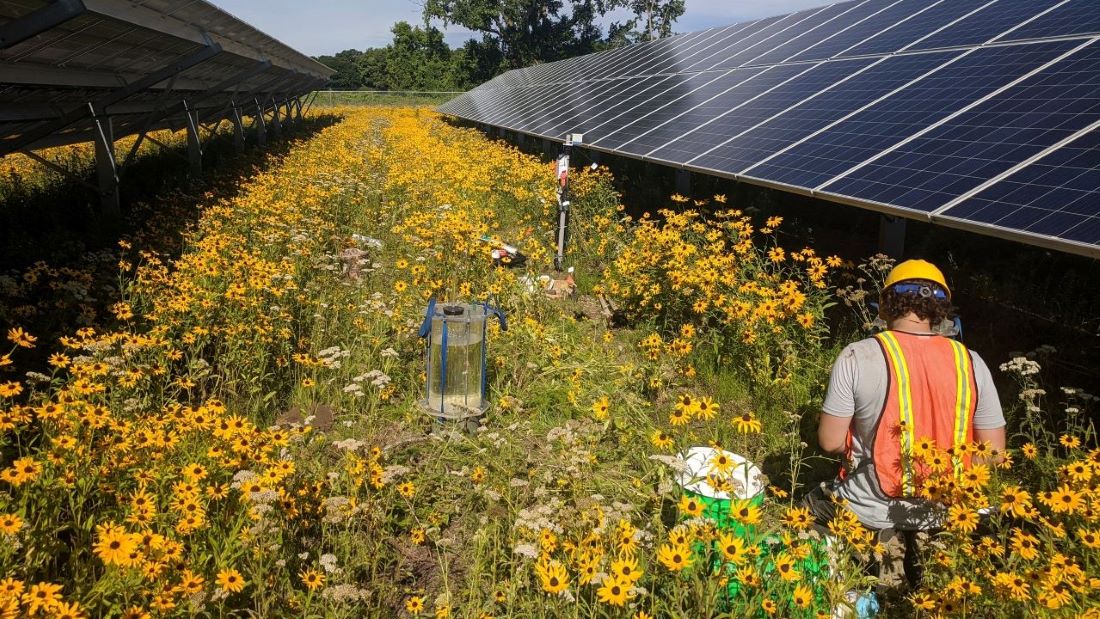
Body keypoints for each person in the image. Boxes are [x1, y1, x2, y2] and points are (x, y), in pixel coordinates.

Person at [804, 259, 1006, 590]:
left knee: (811, 507)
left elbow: (830, 441)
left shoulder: (858, 355)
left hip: (869, 506)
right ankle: (923, 549)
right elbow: (995, 454)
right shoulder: (971, 361)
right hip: (947, 511)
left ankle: (871, 558)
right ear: (941, 310)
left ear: (884, 306)